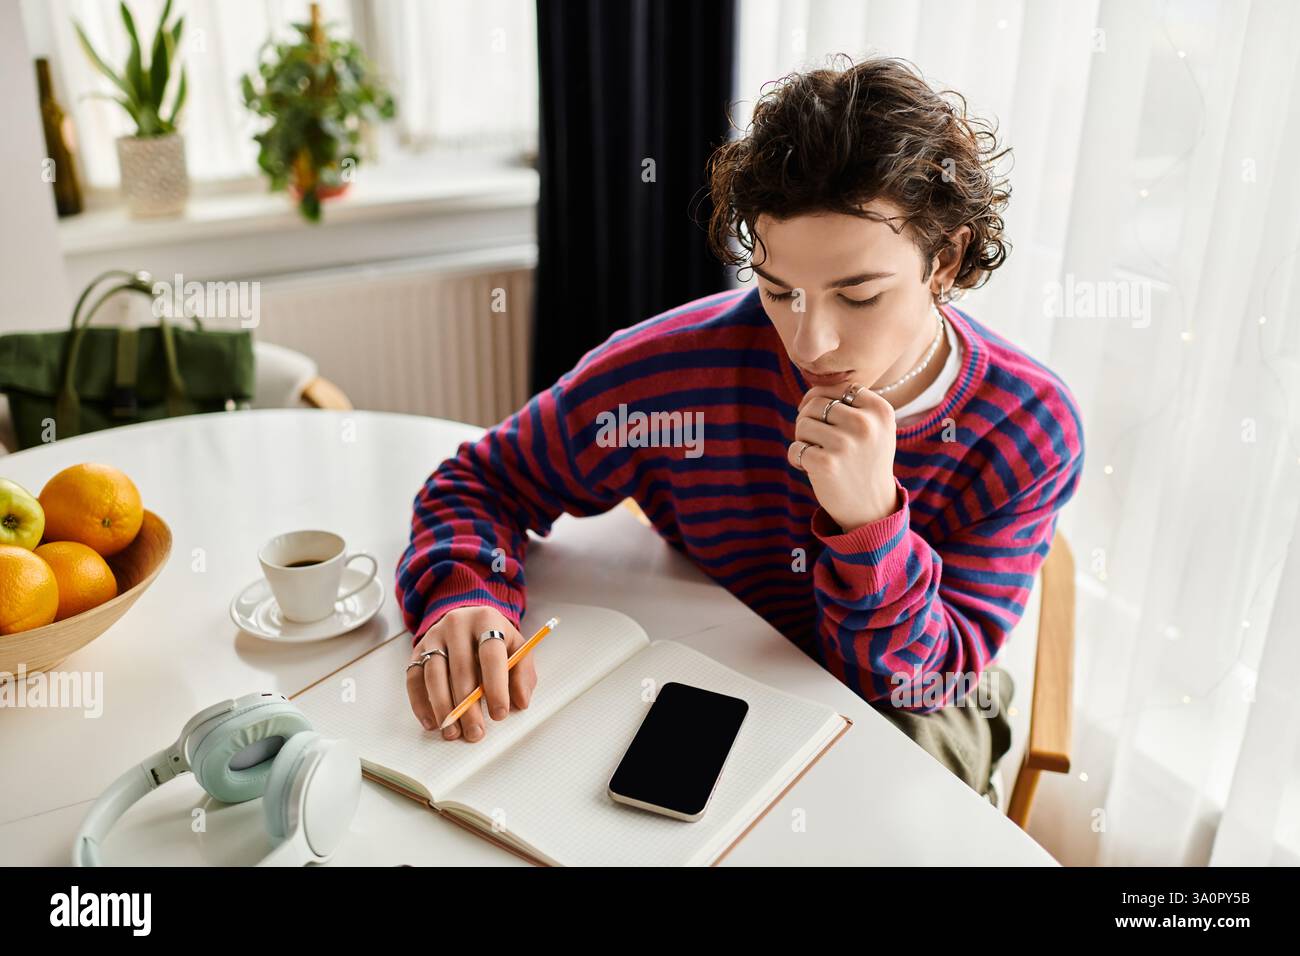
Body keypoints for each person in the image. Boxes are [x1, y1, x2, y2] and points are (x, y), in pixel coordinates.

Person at [396, 56, 1084, 803]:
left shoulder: (1028, 426)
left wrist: (871, 525)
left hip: (911, 705)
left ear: (944, 259)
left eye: (857, 296)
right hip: (721, 678)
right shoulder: (673, 372)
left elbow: (920, 685)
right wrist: (465, 593)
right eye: (779, 290)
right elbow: (483, 481)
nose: (810, 342)